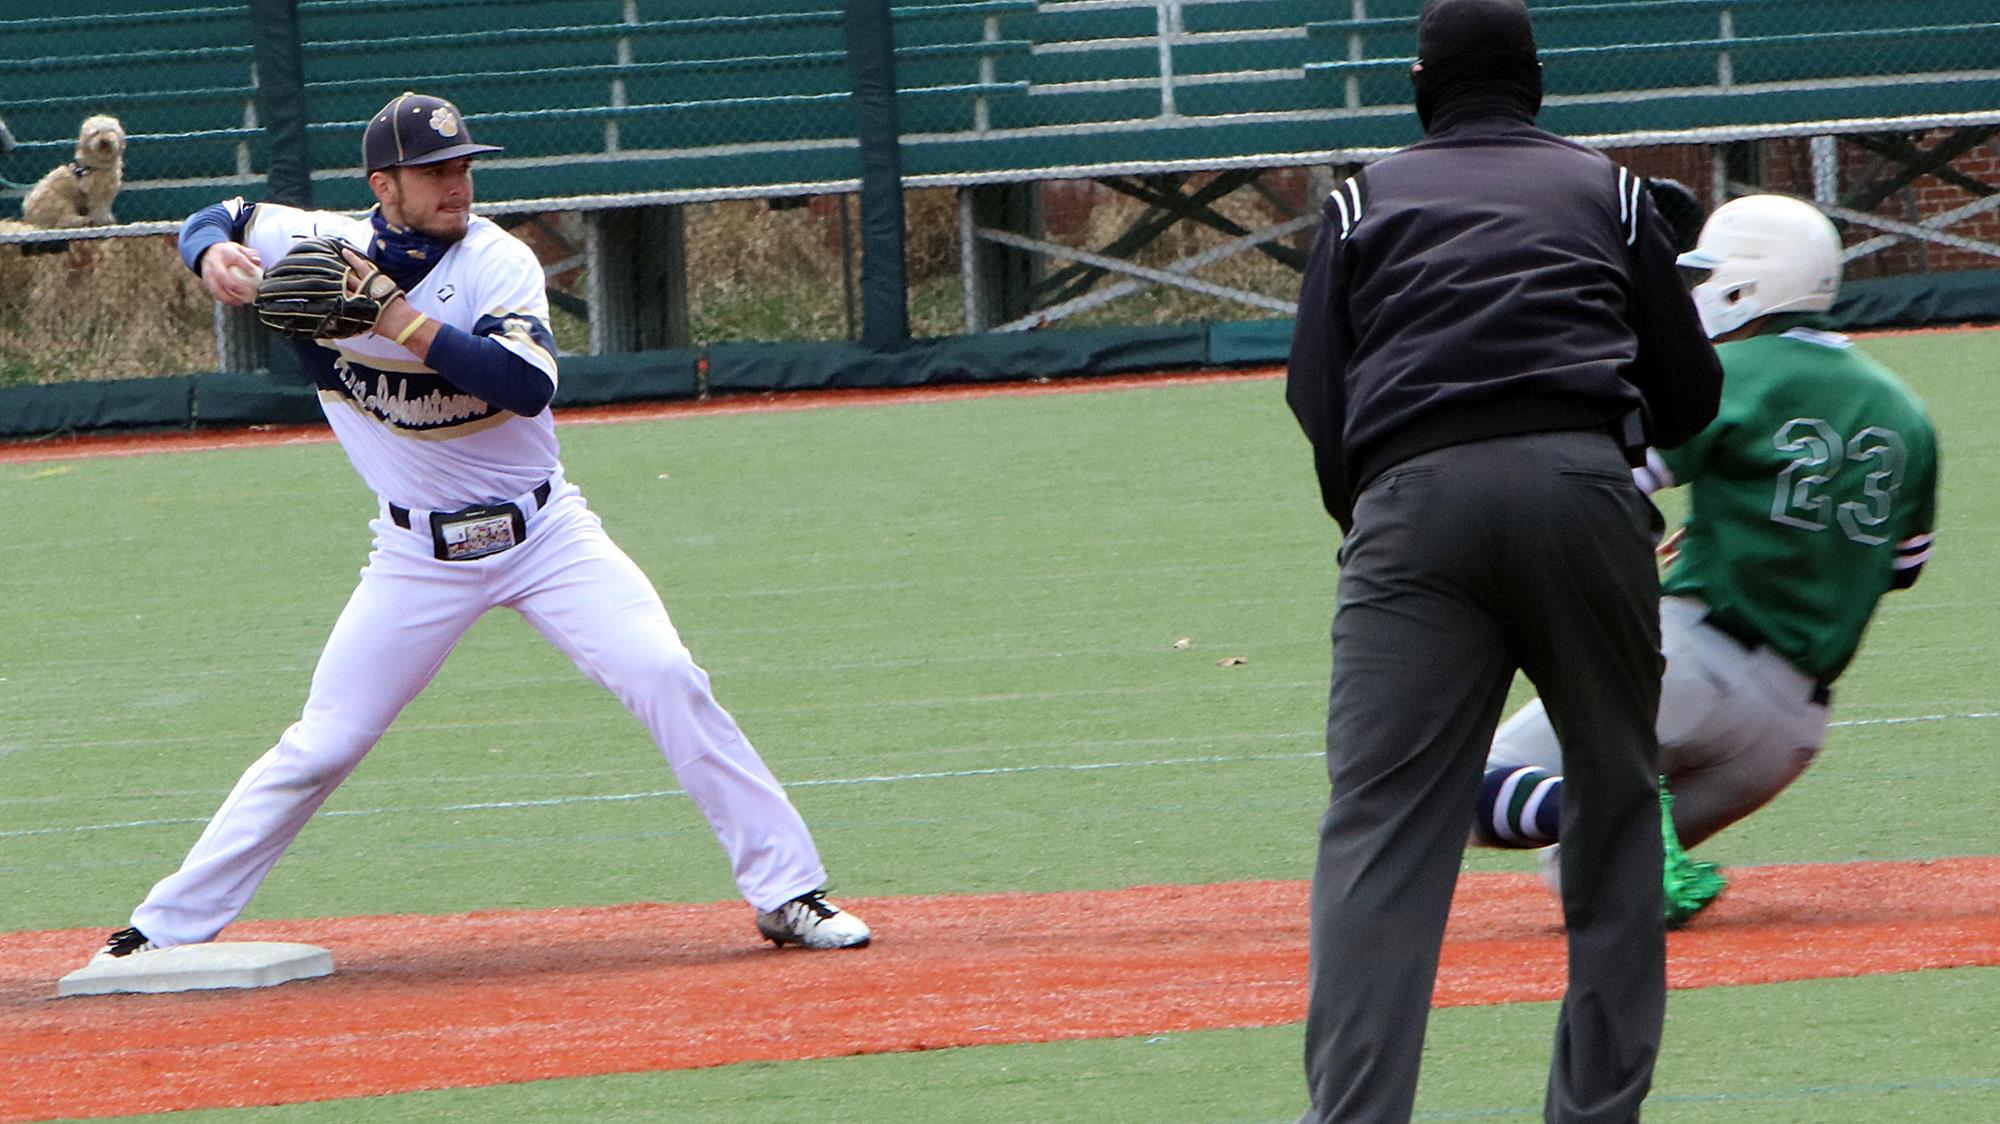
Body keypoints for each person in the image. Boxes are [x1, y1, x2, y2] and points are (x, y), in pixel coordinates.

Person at [88, 92, 869, 963]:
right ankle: (164, 928)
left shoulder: (497, 260)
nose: (457, 183)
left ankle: (788, 892)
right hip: (415, 556)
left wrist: (394, 318)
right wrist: (211, 255)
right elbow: (221, 214)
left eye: (463, 166)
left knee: (666, 674)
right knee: (322, 744)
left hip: (546, 538)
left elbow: (525, 386)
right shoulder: (323, 242)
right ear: (384, 186)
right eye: (435, 172)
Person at [1283, 0, 1724, 1118]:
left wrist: (1375, 515)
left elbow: (1315, 393)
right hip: (1581, 490)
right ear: (1534, 83)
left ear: (1418, 86)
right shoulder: (1607, 188)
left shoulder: (1360, 198)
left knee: (1380, 830)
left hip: (1411, 504)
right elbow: (1690, 392)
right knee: (1615, 808)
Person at [1474, 193, 1940, 927]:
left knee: (1457, 789)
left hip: (1691, 663)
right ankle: (1618, 814)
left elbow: (1610, 486)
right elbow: (1902, 566)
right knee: (1585, 873)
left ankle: (1606, 799)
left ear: (1746, 284)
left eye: (1706, 275)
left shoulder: (1727, 370)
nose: (1693, 292)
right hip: (1788, 733)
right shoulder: (1906, 409)